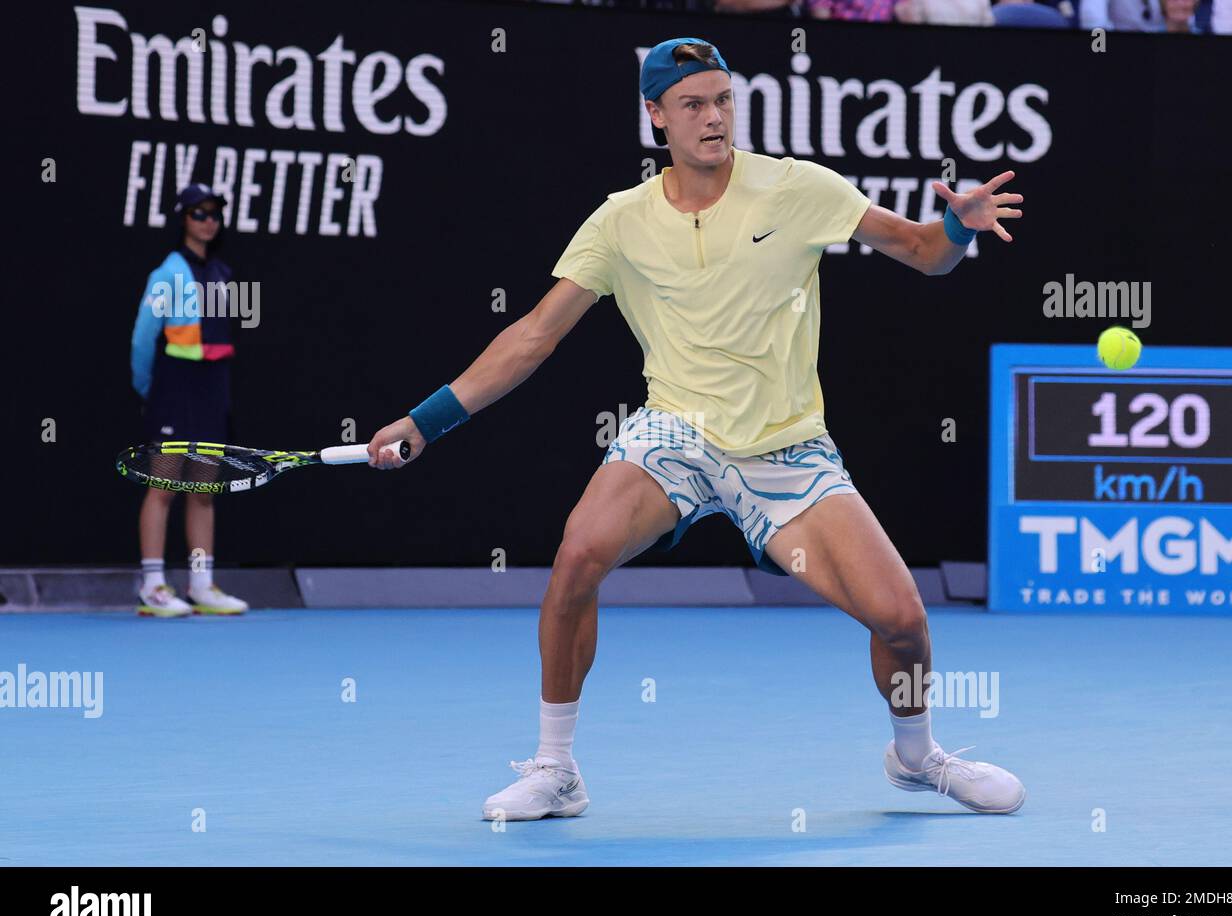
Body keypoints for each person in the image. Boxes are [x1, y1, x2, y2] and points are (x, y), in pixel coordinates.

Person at [367, 38, 1026, 821]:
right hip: (674, 435)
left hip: (787, 447)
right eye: (692, 104)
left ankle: (916, 758)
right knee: (578, 555)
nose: (713, 118)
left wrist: (958, 230)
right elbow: (534, 336)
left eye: (722, 100)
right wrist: (425, 421)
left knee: (902, 619)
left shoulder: (796, 188)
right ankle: (556, 768)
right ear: (656, 117)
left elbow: (923, 254)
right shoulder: (621, 221)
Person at [129, 184, 249, 617]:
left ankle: (200, 584)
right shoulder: (166, 274)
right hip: (174, 388)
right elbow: (143, 340)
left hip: (211, 391)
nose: (209, 220)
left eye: (214, 212)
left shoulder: (224, 274)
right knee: (162, 487)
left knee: (202, 490)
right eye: (199, 213)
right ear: (183, 219)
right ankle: (154, 586)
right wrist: (150, 390)